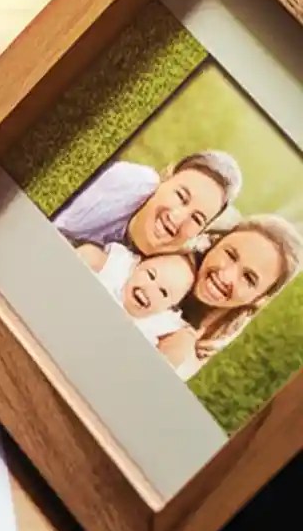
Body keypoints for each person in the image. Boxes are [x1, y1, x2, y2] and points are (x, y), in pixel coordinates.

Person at [156, 215, 303, 380]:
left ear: (262, 299)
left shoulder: (219, 359)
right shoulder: (158, 272)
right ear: (216, 241)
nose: (226, 277)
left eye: (248, 278)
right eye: (230, 255)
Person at [53, 150, 243, 256]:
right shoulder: (133, 183)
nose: (177, 218)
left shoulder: (173, 269)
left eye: (197, 219)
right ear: (166, 177)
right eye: (181, 196)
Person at [75, 241, 196, 345]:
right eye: (151, 275)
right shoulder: (118, 271)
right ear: (137, 264)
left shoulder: (156, 323)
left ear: (169, 308)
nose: (150, 289)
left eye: (163, 292)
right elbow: (91, 255)